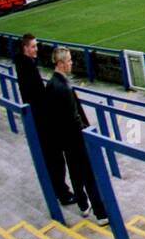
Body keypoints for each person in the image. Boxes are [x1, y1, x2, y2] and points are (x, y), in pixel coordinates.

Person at [45, 47, 108, 224]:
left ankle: (83, 204)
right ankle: (101, 213)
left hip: (64, 139)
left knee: (75, 172)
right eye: (69, 60)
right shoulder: (63, 87)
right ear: (61, 63)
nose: (71, 63)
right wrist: (85, 134)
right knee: (89, 175)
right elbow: (73, 118)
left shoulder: (51, 83)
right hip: (75, 139)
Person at [12, 34, 74, 204]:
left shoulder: (24, 64)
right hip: (42, 121)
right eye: (33, 46)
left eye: (36, 46)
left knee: (54, 159)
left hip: (39, 119)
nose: (36, 49)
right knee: (55, 159)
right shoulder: (28, 67)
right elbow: (37, 97)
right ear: (25, 48)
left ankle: (59, 190)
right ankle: (62, 193)